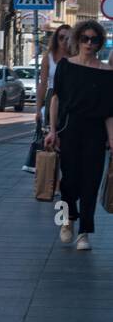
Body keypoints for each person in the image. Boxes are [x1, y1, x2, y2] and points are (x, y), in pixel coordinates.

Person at [44, 19, 113, 251]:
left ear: (99, 43)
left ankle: (84, 233)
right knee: (69, 181)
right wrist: (52, 130)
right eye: (85, 39)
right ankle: (66, 220)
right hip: (69, 128)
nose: (89, 44)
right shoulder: (66, 66)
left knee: (90, 183)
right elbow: (55, 99)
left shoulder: (107, 73)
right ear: (78, 40)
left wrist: (112, 138)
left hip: (95, 131)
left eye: (94, 40)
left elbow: (109, 112)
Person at [24, 24, 71, 174]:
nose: (64, 41)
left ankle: (63, 175)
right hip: (52, 100)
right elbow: (42, 84)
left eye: (68, 38)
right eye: (61, 37)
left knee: (67, 141)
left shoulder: (76, 57)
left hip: (70, 101)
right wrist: (38, 109)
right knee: (50, 140)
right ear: (56, 39)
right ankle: (52, 179)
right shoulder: (48, 58)